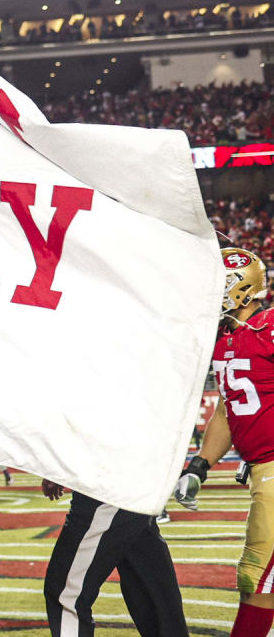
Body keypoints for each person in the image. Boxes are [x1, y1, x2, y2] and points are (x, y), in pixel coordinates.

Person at [175, 247, 274, 636]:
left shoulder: (269, 326)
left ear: (241, 289)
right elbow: (226, 411)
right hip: (262, 471)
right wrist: (199, 466)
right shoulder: (225, 340)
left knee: (257, 577)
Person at [43, 478, 187, 636]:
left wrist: (58, 471)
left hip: (107, 487)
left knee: (66, 593)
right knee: (148, 583)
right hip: (136, 484)